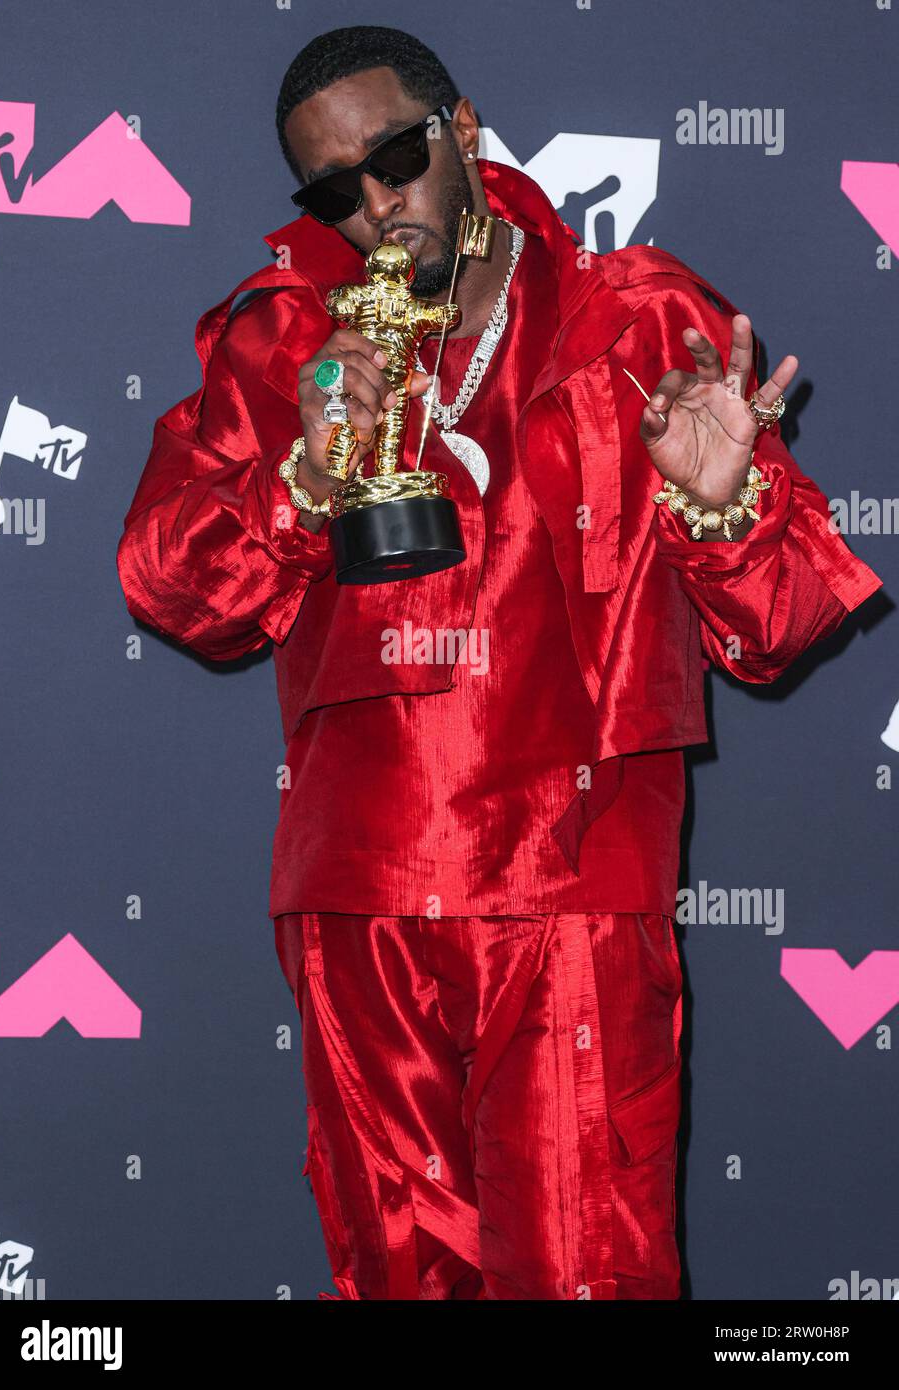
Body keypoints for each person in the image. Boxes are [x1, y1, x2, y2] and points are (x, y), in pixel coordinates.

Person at [116, 26, 882, 1300]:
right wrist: (308, 471)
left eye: (397, 159)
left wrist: (724, 505)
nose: (375, 207)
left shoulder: (635, 320)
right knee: (394, 1274)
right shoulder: (288, 340)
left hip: (573, 886)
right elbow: (174, 585)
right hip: (362, 893)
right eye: (332, 191)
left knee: (586, 1267)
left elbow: (785, 623)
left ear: (462, 133)